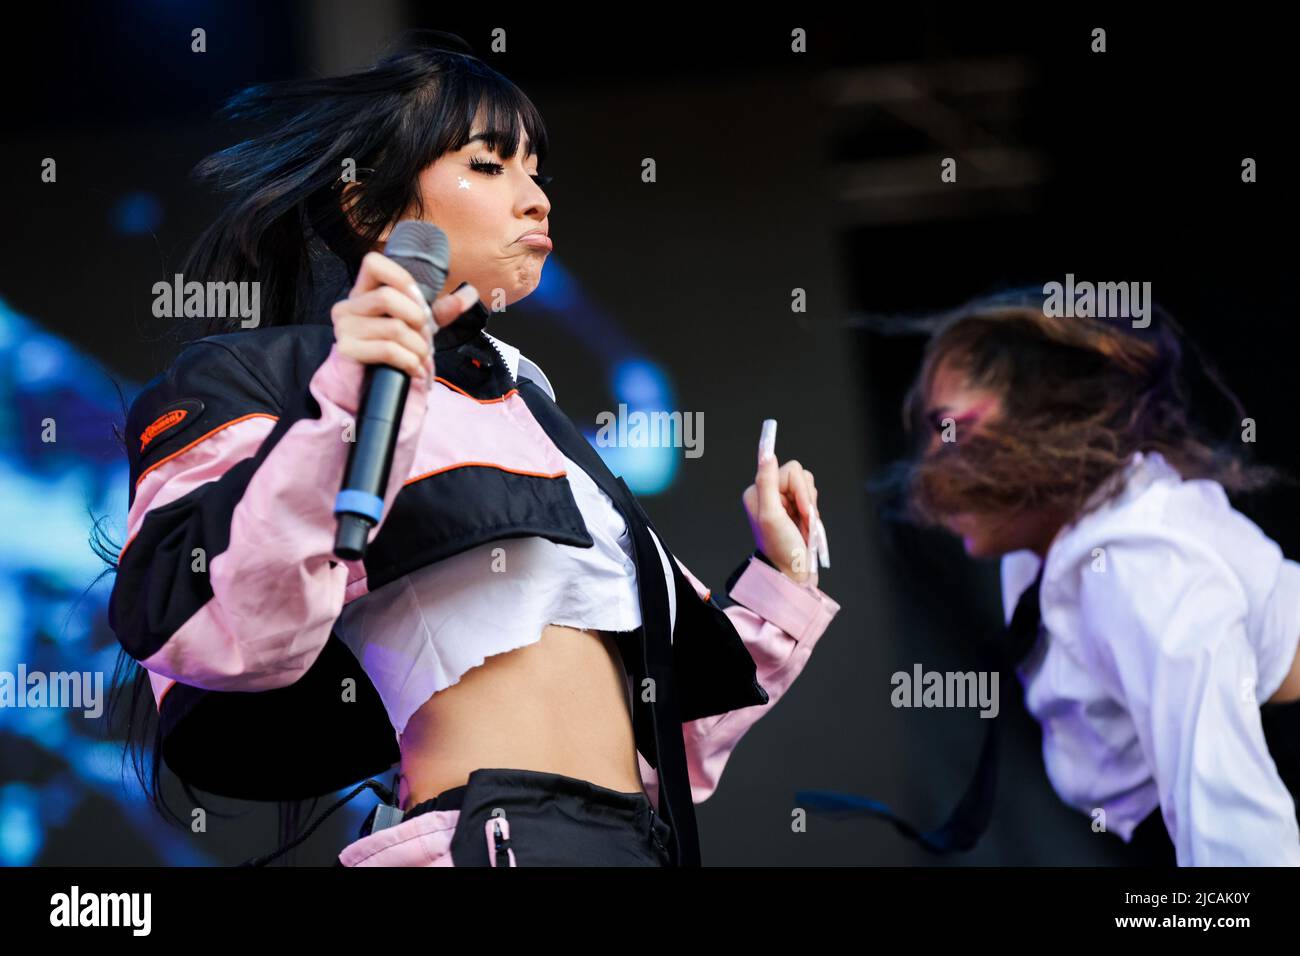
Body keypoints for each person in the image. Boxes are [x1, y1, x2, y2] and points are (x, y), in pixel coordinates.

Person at [104, 30, 841, 867]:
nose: (535, 200)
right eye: (489, 165)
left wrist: (783, 582)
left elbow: (672, 742)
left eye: (537, 172)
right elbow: (212, 625)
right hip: (480, 841)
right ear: (369, 209)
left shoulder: (537, 412)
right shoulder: (270, 378)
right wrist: (343, 406)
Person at [892, 288, 1300, 865]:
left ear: (1044, 421)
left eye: (950, 427)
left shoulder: (1142, 567)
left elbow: (1239, 834)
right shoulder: (1041, 558)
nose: (931, 464)